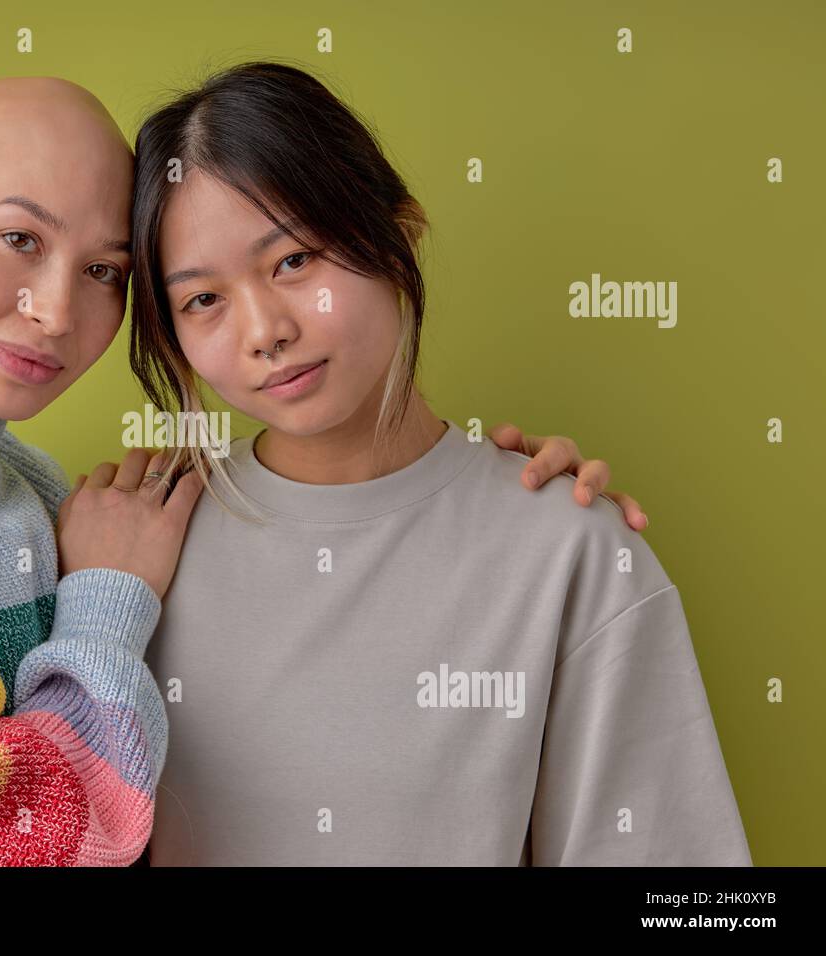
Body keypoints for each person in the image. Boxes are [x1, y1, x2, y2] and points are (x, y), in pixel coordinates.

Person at [0, 72, 647, 867]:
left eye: (103, 272)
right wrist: (102, 596)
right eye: (19, 238)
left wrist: (493, 507)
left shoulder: (43, 494)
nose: (57, 309)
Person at [127, 62, 751, 866]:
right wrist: (102, 591)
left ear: (400, 235)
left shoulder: (573, 554)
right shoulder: (133, 554)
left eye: (293, 261)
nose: (264, 330)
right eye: (202, 299)